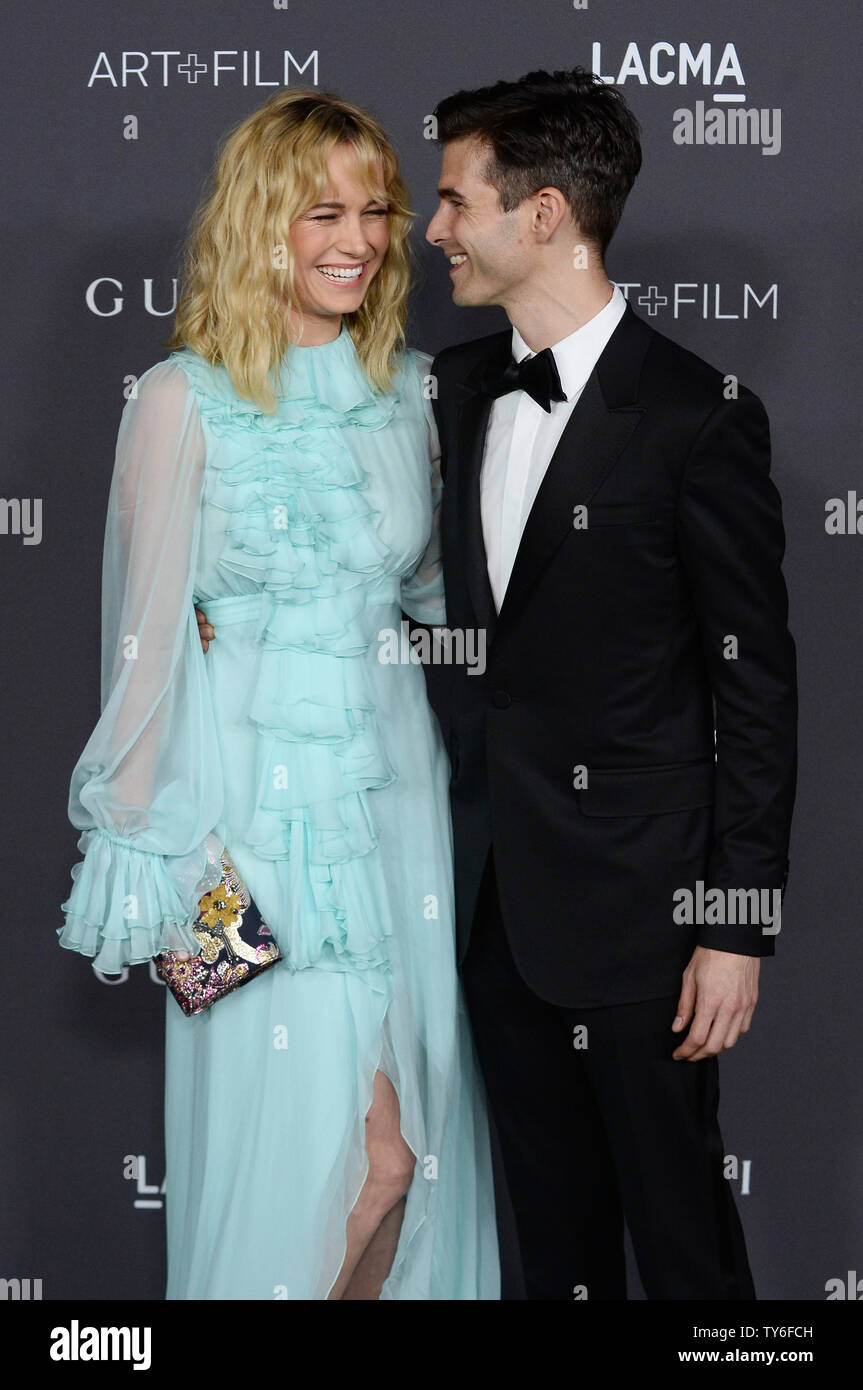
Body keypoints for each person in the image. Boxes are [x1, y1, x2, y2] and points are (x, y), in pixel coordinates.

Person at [58, 88, 500, 1301]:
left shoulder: (414, 396)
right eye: (322, 211)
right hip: (243, 830)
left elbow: (427, 599)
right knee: (339, 1162)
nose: (358, 238)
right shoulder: (176, 403)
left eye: (376, 209)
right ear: (261, 225)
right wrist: (163, 878)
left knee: (408, 1166)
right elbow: (141, 658)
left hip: (393, 809)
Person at [421, 67, 798, 1299]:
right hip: (488, 902)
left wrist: (734, 921)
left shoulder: (696, 414)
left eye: (451, 201)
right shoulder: (454, 389)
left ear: (540, 217)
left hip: (645, 916)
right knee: (552, 1242)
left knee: (684, 1238)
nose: (432, 234)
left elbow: (753, 683)